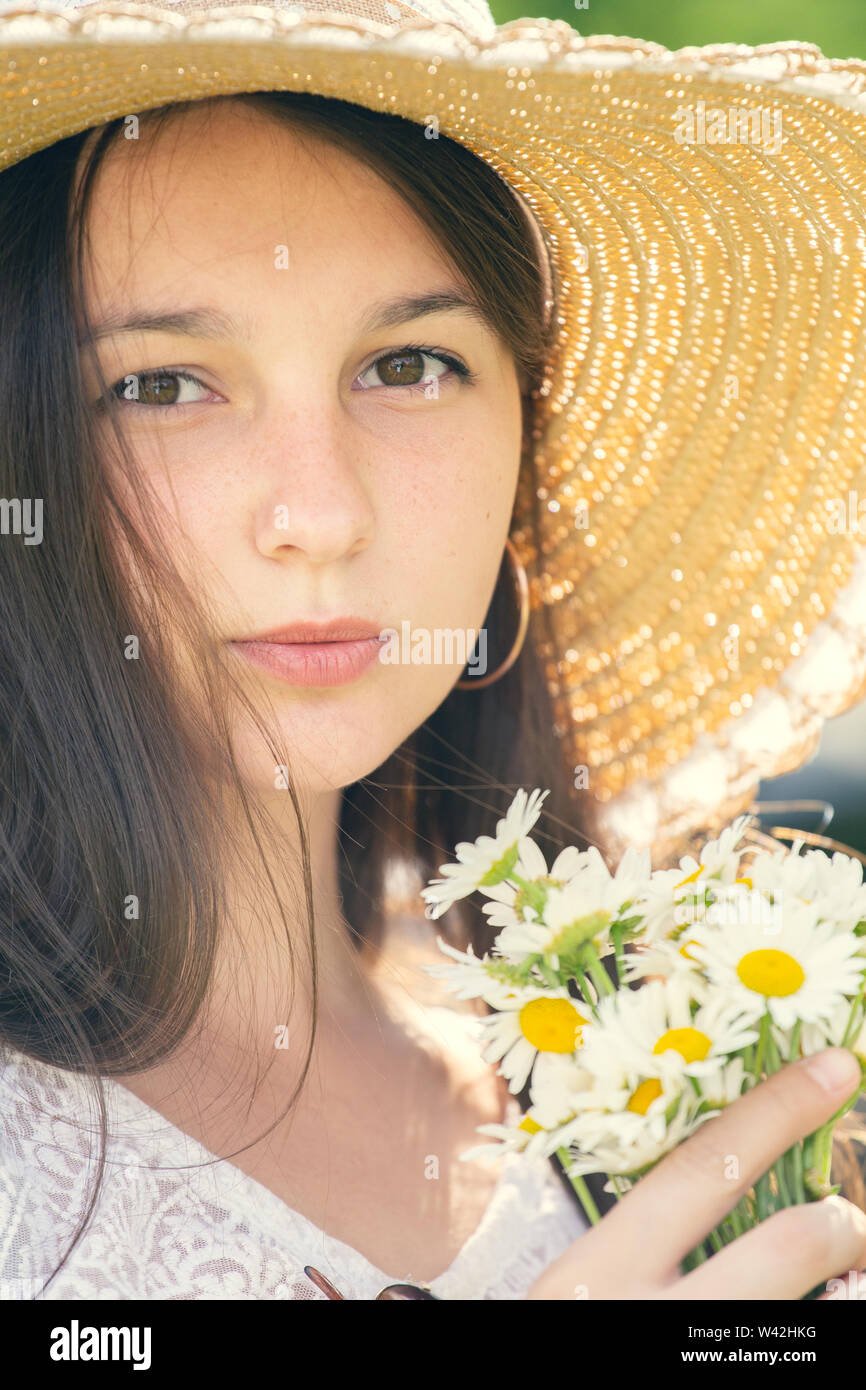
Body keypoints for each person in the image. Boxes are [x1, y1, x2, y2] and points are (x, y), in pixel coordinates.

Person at [2, 0, 866, 1301]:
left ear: (526, 449)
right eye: (162, 386)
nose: (319, 515)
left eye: (408, 364)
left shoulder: (630, 1048)